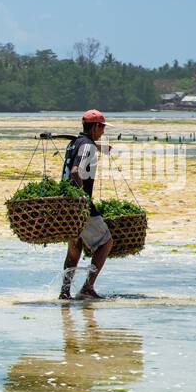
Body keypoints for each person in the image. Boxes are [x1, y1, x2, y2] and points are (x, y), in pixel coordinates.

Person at [59, 109, 113, 301]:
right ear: (96, 126)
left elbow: (83, 147)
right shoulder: (87, 145)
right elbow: (76, 171)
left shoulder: (75, 143)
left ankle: (64, 293)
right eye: (102, 128)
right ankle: (87, 288)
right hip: (81, 204)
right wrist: (83, 198)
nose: (104, 132)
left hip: (66, 202)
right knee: (106, 242)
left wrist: (99, 147)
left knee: (75, 249)